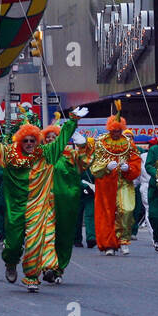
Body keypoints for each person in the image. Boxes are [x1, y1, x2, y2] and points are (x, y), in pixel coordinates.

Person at [0, 111, 80, 292]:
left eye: (33, 140)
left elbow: (62, 139)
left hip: (38, 206)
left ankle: (31, 276)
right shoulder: (9, 155)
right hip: (16, 207)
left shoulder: (47, 153)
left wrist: (72, 121)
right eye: (26, 141)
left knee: (35, 242)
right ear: (20, 141)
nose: (29, 144)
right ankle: (11, 262)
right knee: (13, 244)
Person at [90, 104, 142, 256]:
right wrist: (105, 166)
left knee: (126, 210)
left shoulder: (128, 144)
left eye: (119, 130)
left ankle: (123, 240)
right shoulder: (100, 142)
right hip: (106, 183)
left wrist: (129, 168)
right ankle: (109, 244)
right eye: (114, 131)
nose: (116, 133)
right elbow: (94, 165)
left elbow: (136, 161)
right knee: (107, 213)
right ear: (109, 129)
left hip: (124, 181)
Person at [48, 120, 91, 283]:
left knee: (64, 237)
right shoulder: (41, 155)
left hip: (67, 202)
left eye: (55, 137)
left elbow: (85, 163)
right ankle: (48, 266)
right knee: (46, 235)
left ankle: (58, 269)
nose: (51, 139)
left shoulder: (70, 155)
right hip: (46, 203)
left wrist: (82, 146)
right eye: (48, 137)